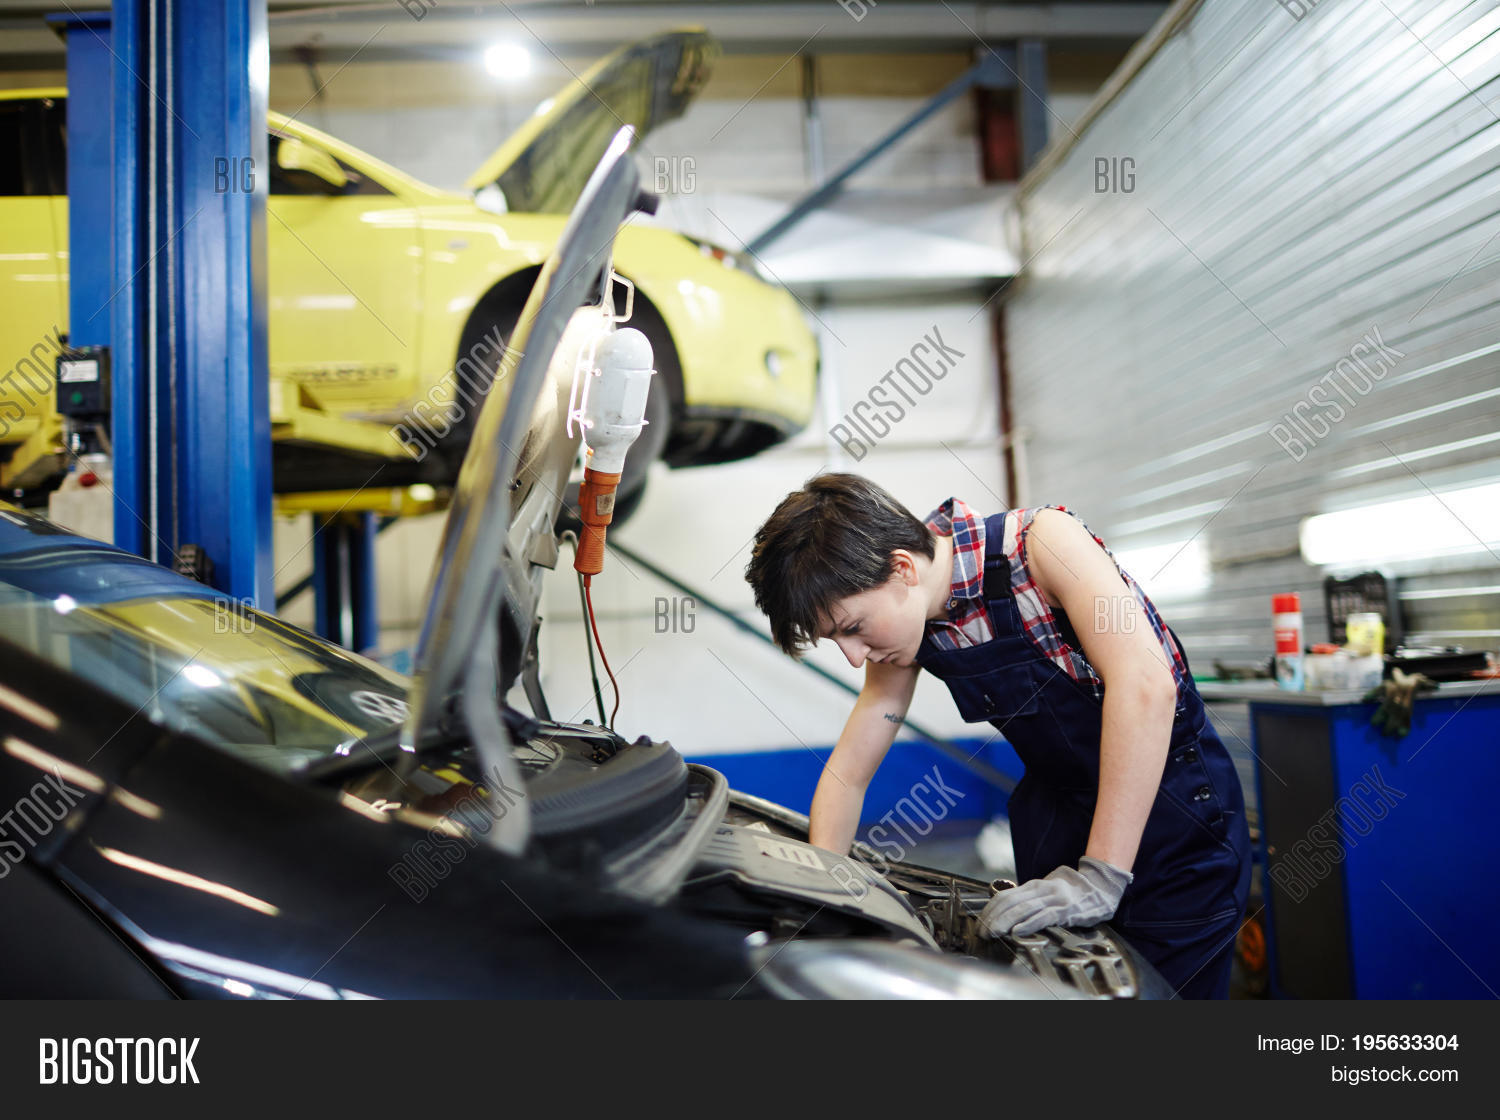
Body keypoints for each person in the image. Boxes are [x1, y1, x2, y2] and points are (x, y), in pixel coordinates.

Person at [744, 472, 1251, 999]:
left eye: (851, 628)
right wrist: (823, 892)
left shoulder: (1044, 545)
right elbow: (849, 773)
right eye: (834, 641)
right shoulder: (904, 627)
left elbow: (1146, 685)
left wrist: (1101, 874)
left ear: (902, 568)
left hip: (1172, 816)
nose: (854, 657)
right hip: (1061, 816)